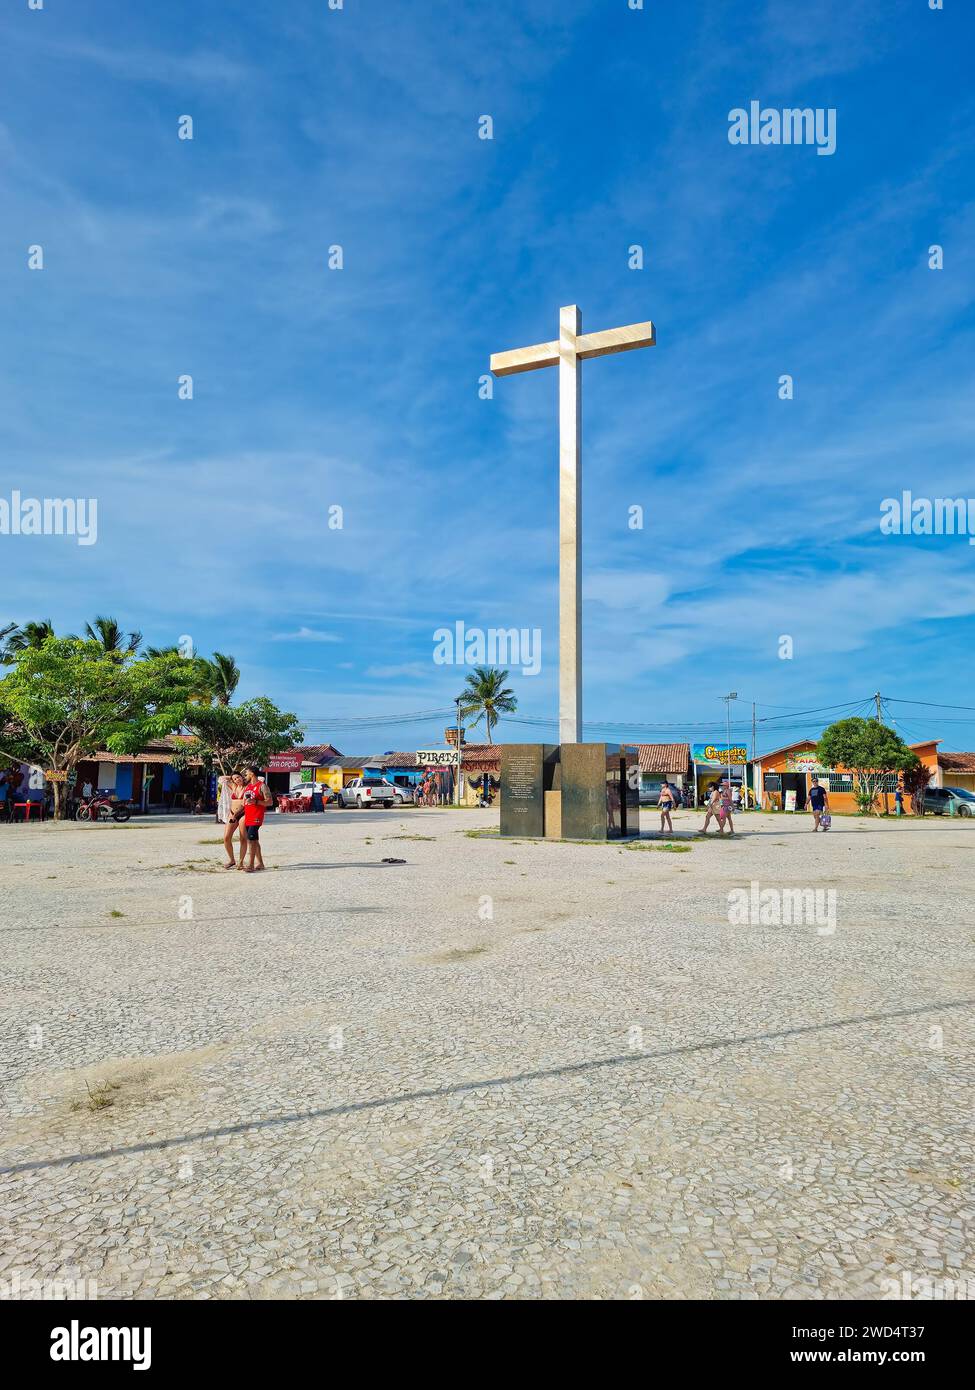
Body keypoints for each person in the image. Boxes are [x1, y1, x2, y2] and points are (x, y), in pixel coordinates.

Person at [239, 766, 272, 872]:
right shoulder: (248, 787)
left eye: (247, 773)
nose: (245, 776)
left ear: (252, 774)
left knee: (251, 840)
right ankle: (261, 863)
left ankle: (251, 865)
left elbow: (270, 802)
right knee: (255, 840)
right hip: (248, 816)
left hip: (257, 816)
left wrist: (256, 802)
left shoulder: (262, 786)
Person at [219, 773, 246, 868]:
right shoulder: (233, 786)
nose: (237, 779)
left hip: (243, 814)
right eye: (234, 779)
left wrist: (245, 777)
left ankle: (241, 862)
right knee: (226, 837)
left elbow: (261, 778)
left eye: (238, 777)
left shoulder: (248, 787)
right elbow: (221, 779)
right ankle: (231, 860)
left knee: (243, 838)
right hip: (232, 813)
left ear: (242, 777)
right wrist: (230, 777)